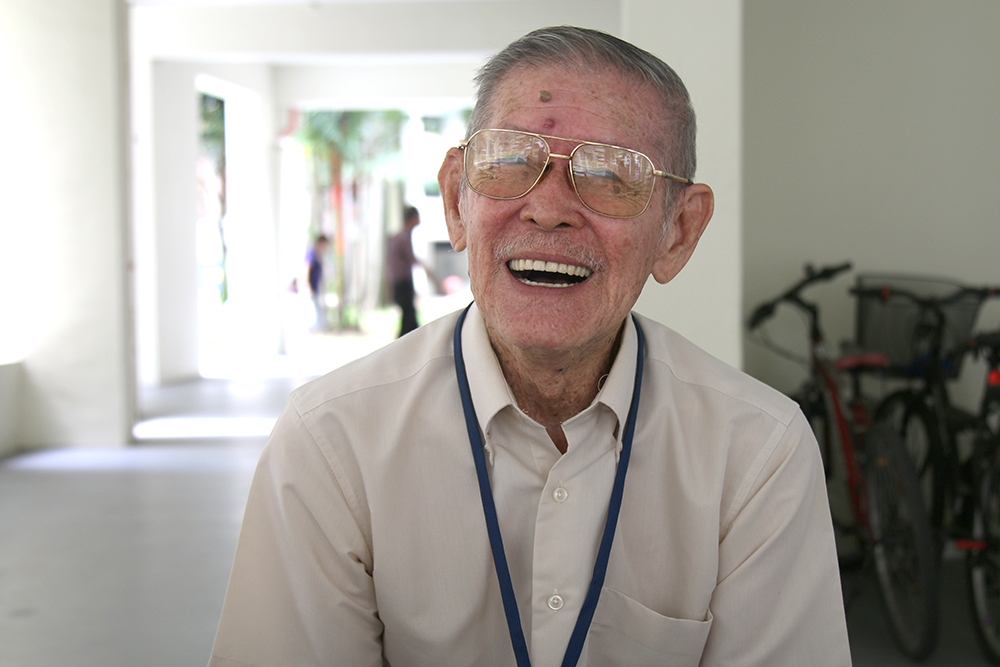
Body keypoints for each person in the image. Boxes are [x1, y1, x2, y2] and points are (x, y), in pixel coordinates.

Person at [209, 26, 851, 667]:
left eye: (609, 172)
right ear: (458, 202)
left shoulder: (756, 451)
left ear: (678, 230)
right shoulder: (331, 443)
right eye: (511, 161)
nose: (547, 210)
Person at [386, 206, 425, 336]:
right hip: (402, 282)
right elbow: (411, 259)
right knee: (408, 314)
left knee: (409, 314)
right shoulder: (403, 237)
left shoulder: (401, 236)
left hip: (400, 281)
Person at [306, 234, 329, 332]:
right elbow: (306, 269)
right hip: (310, 288)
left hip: (316, 287)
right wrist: (307, 287)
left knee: (319, 308)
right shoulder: (312, 254)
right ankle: (314, 329)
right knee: (314, 309)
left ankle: (319, 327)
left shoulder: (319, 256)